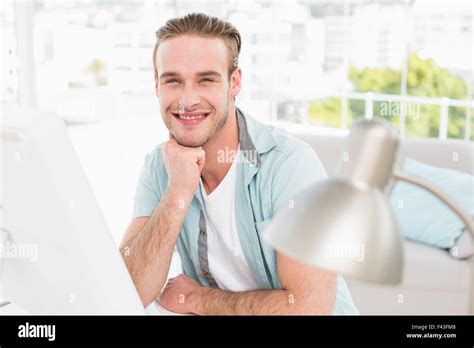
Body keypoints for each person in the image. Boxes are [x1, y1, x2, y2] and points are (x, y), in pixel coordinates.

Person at [120, 12, 358, 315]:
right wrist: (178, 193)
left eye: (206, 79)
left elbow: (309, 309)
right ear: (156, 85)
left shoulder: (289, 165)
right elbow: (125, 290)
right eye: (173, 81)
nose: (187, 99)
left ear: (234, 82)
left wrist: (199, 299)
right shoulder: (158, 167)